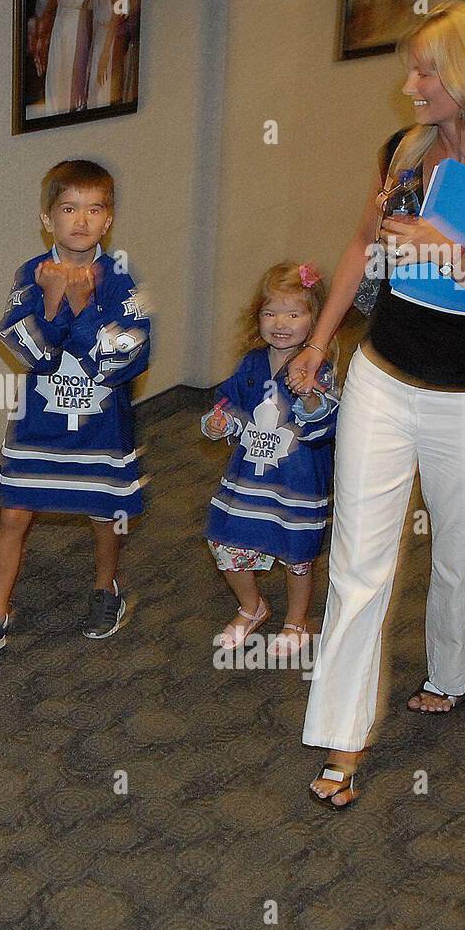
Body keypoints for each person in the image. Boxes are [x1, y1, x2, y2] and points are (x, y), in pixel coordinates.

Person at [287, 0, 465, 808]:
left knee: (462, 551)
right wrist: (318, 342)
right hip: (383, 379)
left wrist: (453, 255)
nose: (409, 85)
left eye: (425, 72)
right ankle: (342, 737)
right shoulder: (405, 153)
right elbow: (358, 246)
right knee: (358, 567)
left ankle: (453, 668)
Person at [0, 159, 150, 663]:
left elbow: (130, 353)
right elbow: (25, 348)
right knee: (14, 510)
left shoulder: (119, 278)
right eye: (69, 209)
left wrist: (84, 307)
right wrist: (51, 306)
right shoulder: (32, 273)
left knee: (102, 510)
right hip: (40, 422)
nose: (81, 221)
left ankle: (105, 587)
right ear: (48, 218)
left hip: (100, 423)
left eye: (94, 210)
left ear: (108, 221)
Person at [201, 262, 339, 657]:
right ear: (257, 317)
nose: (281, 322)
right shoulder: (252, 363)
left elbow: (327, 425)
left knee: (296, 555)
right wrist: (220, 420)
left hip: (297, 481)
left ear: (316, 320)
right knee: (225, 543)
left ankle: (296, 620)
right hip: (248, 479)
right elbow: (230, 401)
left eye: (294, 313)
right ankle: (252, 606)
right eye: (270, 312)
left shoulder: (320, 369)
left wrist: (311, 396)